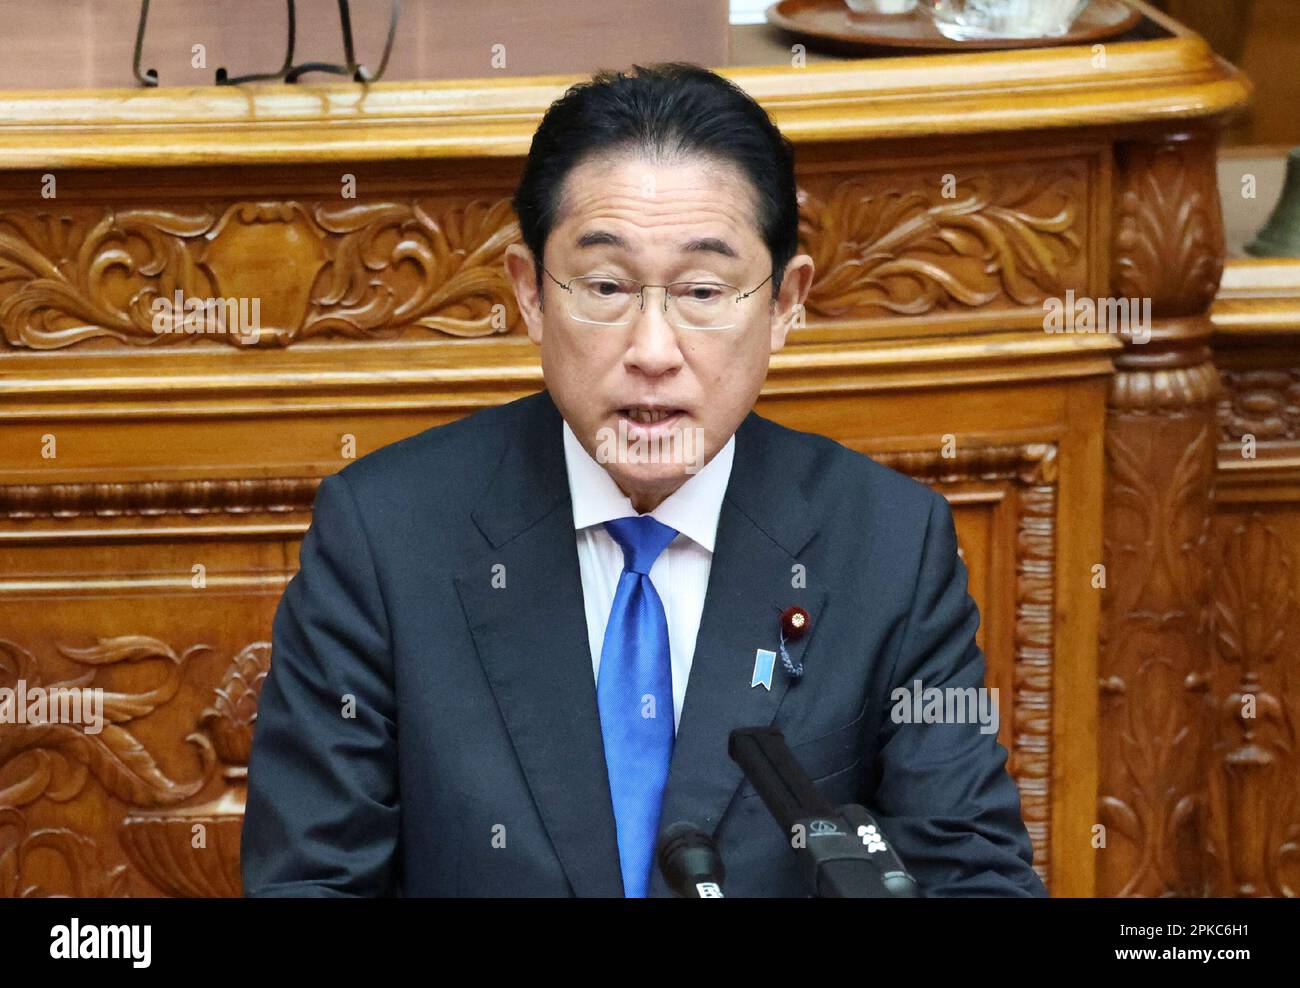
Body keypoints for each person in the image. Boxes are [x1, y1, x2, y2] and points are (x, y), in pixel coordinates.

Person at [241, 62, 1045, 898]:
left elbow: (974, 875)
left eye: (703, 290)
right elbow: (310, 883)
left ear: (783, 306)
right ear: (529, 295)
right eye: (605, 287)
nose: (652, 351)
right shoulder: (383, 538)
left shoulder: (890, 547)